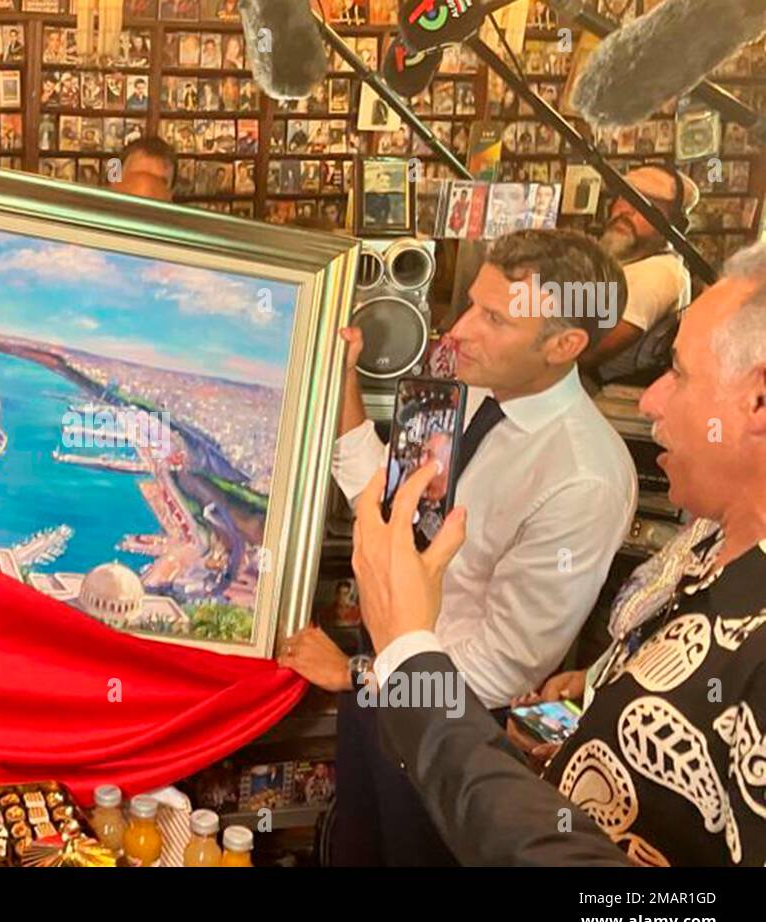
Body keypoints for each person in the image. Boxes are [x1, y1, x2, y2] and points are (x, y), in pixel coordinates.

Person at [354, 240, 766, 866]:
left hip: (447, 732)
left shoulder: (586, 475)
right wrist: (596, 696)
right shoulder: (703, 539)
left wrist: (391, 666)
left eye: (678, 372)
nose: (649, 399)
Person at [281, 229, 638, 865]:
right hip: (381, 684)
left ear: (565, 345)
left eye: (493, 318)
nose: (459, 331)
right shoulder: (468, 386)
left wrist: (362, 674)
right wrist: (340, 380)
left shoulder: (584, 476)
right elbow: (387, 502)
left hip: (450, 728)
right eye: (471, 304)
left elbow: (507, 665)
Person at [581, 166, 700, 384]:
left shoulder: (658, 273)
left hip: (602, 394)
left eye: (648, 207)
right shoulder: (625, 263)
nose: (626, 211)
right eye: (625, 198)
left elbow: (587, 355)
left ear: (674, 226)